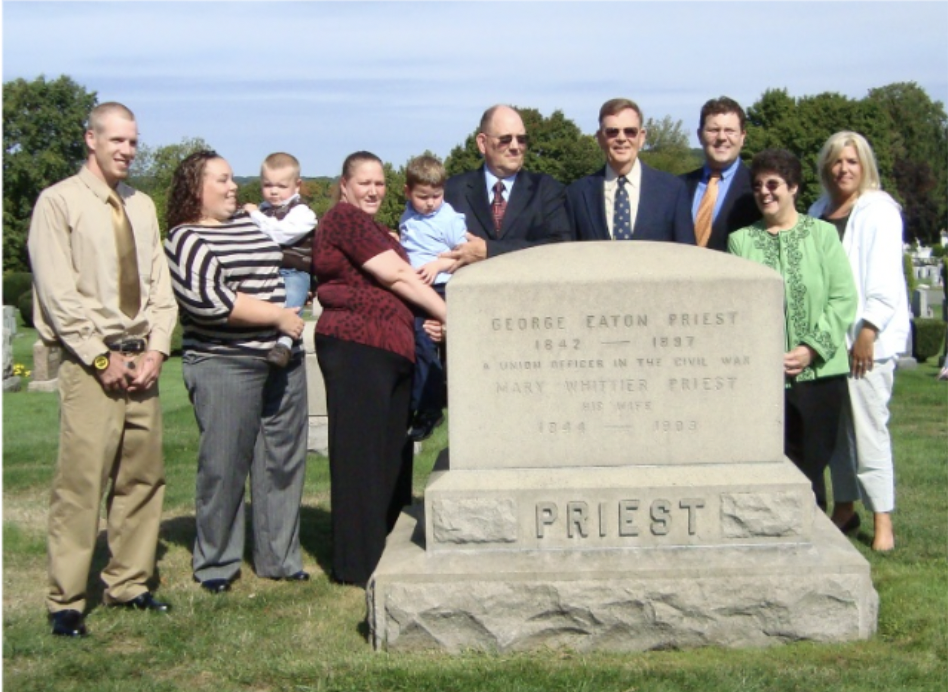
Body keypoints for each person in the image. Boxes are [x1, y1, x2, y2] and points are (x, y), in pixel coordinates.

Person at [28, 102, 178, 637]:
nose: (128, 151)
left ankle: (129, 584)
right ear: (90, 139)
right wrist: (99, 356)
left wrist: (158, 350)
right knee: (82, 483)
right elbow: (57, 290)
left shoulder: (141, 206)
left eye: (134, 142)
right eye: (117, 140)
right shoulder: (58, 203)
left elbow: (161, 286)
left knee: (142, 478)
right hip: (90, 364)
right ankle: (65, 600)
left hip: (143, 362)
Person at [164, 150, 309, 593]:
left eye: (232, 180)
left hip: (283, 362)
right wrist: (278, 317)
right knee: (224, 467)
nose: (233, 187)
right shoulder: (184, 239)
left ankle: (279, 558)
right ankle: (217, 565)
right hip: (225, 363)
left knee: (281, 463)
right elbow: (211, 301)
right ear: (195, 188)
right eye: (222, 181)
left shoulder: (251, 223)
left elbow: (291, 261)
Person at [314, 151, 447, 587]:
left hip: (392, 351)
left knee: (391, 457)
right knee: (361, 458)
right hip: (357, 348)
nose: (373, 190)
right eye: (364, 182)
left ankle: (390, 549)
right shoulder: (344, 220)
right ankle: (358, 564)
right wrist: (451, 314)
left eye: (380, 183)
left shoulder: (379, 230)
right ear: (345, 184)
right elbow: (398, 278)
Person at [728, 149, 857, 510]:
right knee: (774, 465)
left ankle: (815, 539)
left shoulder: (823, 235)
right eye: (758, 186)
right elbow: (739, 307)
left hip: (819, 373)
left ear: (794, 187)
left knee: (813, 465)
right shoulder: (741, 241)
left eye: (774, 184)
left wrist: (811, 348)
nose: (765, 192)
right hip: (765, 376)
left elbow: (843, 297)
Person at [808, 131, 911, 551]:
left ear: (864, 165)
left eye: (852, 161)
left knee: (869, 430)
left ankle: (882, 519)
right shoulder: (818, 210)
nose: (843, 168)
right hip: (828, 340)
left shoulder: (879, 211)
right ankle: (845, 508)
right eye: (836, 161)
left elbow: (885, 279)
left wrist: (868, 331)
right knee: (834, 434)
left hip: (867, 339)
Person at [441, 104, 571, 270]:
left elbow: (561, 246)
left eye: (522, 139)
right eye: (505, 140)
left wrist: (491, 251)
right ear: (482, 143)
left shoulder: (546, 190)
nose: (515, 147)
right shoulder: (452, 191)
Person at [398, 154, 467, 442]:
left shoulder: (448, 218)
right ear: (408, 192)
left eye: (436, 196)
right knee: (412, 347)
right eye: (423, 196)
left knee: (427, 346)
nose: (430, 203)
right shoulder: (408, 215)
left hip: (439, 288)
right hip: (413, 290)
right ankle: (417, 402)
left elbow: (463, 254)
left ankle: (428, 407)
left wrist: (438, 265)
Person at [567, 98, 694, 244]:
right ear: (600, 138)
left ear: (642, 137)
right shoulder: (576, 194)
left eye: (630, 131)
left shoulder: (672, 191)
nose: (621, 138)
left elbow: (687, 256)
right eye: (612, 132)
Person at [242, 152, 318, 369]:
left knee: (292, 302)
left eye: (281, 186)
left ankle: (284, 343)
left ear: (297, 185)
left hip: (294, 271)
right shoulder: (263, 209)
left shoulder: (302, 213)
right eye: (268, 185)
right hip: (268, 271)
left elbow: (279, 234)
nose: (274, 191)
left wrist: (255, 216)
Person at [680, 96, 760, 250]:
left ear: (743, 137)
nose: (722, 137)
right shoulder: (677, 187)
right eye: (713, 130)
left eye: (730, 130)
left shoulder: (758, 190)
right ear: (699, 135)